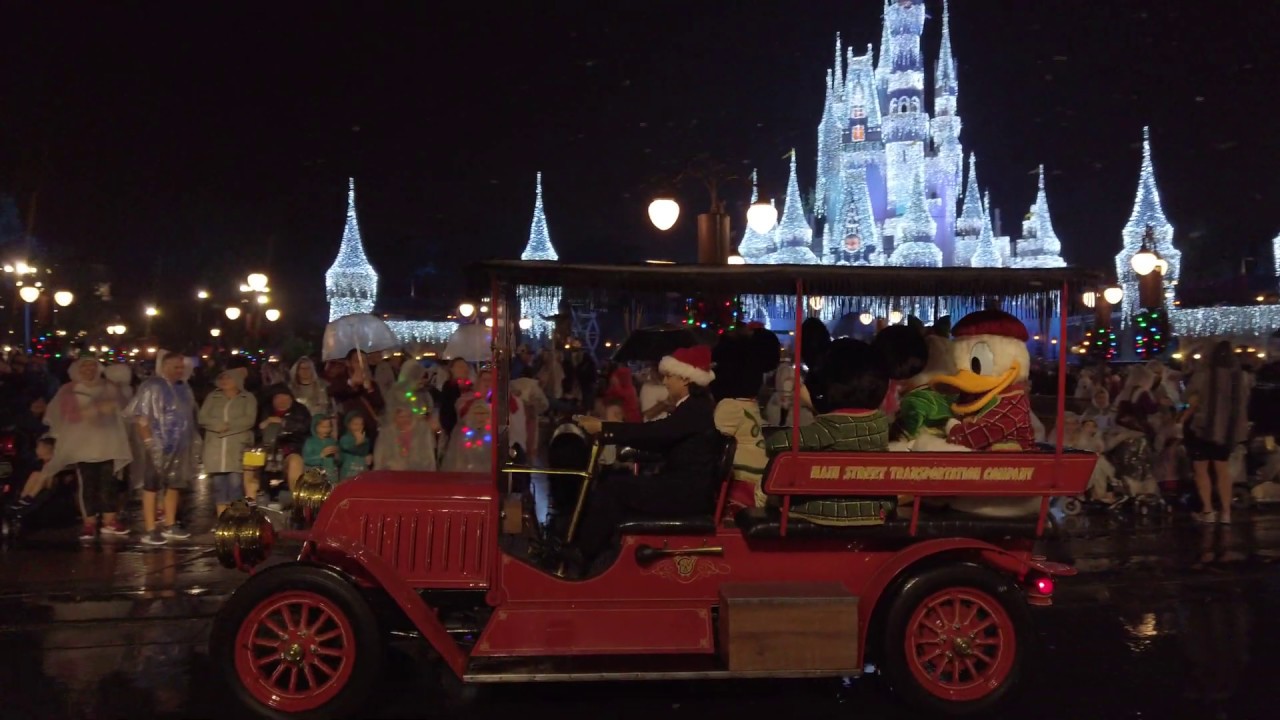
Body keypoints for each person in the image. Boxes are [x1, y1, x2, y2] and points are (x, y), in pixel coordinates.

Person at [573, 345, 720, 567]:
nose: (665, 382)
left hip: (685, 492)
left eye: (669, 376)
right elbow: (663, 437)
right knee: (613, 483)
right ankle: (597, 551)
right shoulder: (693, 407)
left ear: (686, 380)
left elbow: (656, 432)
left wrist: (606, 428)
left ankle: (584, 553)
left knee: (614, 487)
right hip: (681, 485)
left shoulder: (695, 409)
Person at [42, 358, 135, 540]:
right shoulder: (69, 390)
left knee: (109, 482)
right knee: (88, 483)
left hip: (107, 442)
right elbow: (67, 416)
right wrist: (96, 410)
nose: (89, 370)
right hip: (82, 445)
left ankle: (110, 520)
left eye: (92, 365)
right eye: (84, 366)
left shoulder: (109, 387)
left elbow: (124, 409)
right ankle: (89, 522)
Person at [127, 350, 197, 545]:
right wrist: (149, 441)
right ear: (164, 367)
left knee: (175, 483)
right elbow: (141, 416)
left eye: (182, 367)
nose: (180, 371)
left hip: (180, 444)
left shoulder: (183, 388)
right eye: (176, 367)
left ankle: (170, 523)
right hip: (158, 444)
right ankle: (150, 528)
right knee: (152, 485)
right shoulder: (152, 386)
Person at [1184, 341, 1251, 524]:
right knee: (1223, 470)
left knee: (1201, 469)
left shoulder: (1203, 375)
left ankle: (1208, 510)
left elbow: (1191, 400)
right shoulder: (1240, 377)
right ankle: (1226, 512)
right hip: (1226, 430)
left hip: (1203, 428)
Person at [198, 369, 257, 517]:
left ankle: (235, 518)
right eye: (222, 378)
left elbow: (248, 420)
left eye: (228, 378)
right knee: (219, 485)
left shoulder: (247, 398)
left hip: (237, 447)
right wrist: (217, 426)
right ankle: (222, 518)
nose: (224, 381)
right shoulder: (213, 397)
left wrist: (227, 428)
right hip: (215, 448)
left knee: (235, 484)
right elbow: (203, 418)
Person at [373, 400, 438, 471]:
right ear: (394, 417)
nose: (405, 420)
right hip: (392, 475)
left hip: (418, 474)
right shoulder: (386, 433)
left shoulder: (422, 431)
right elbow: (379, 458)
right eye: (401, 417)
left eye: (408, 416)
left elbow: (429, 458)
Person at [302, 413, 340, 479]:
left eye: (329, 427)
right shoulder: (310, 442)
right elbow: (306, 459)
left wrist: (337, 455)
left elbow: (338, 461)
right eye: (323, 427)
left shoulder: (332, 441)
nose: (327, 429)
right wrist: (321, 456)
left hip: (331, 475)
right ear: (315, 427)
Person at [337, 412, 373, 481]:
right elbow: (346, 447)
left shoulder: (365, 439)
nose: (359, 427)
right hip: (348, 471)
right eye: (355, 424)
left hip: (362, 470)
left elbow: (365, 451)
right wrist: (357, 442)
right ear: (348, 425)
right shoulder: (345, 438)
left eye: (361, 424)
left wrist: (369, 457)